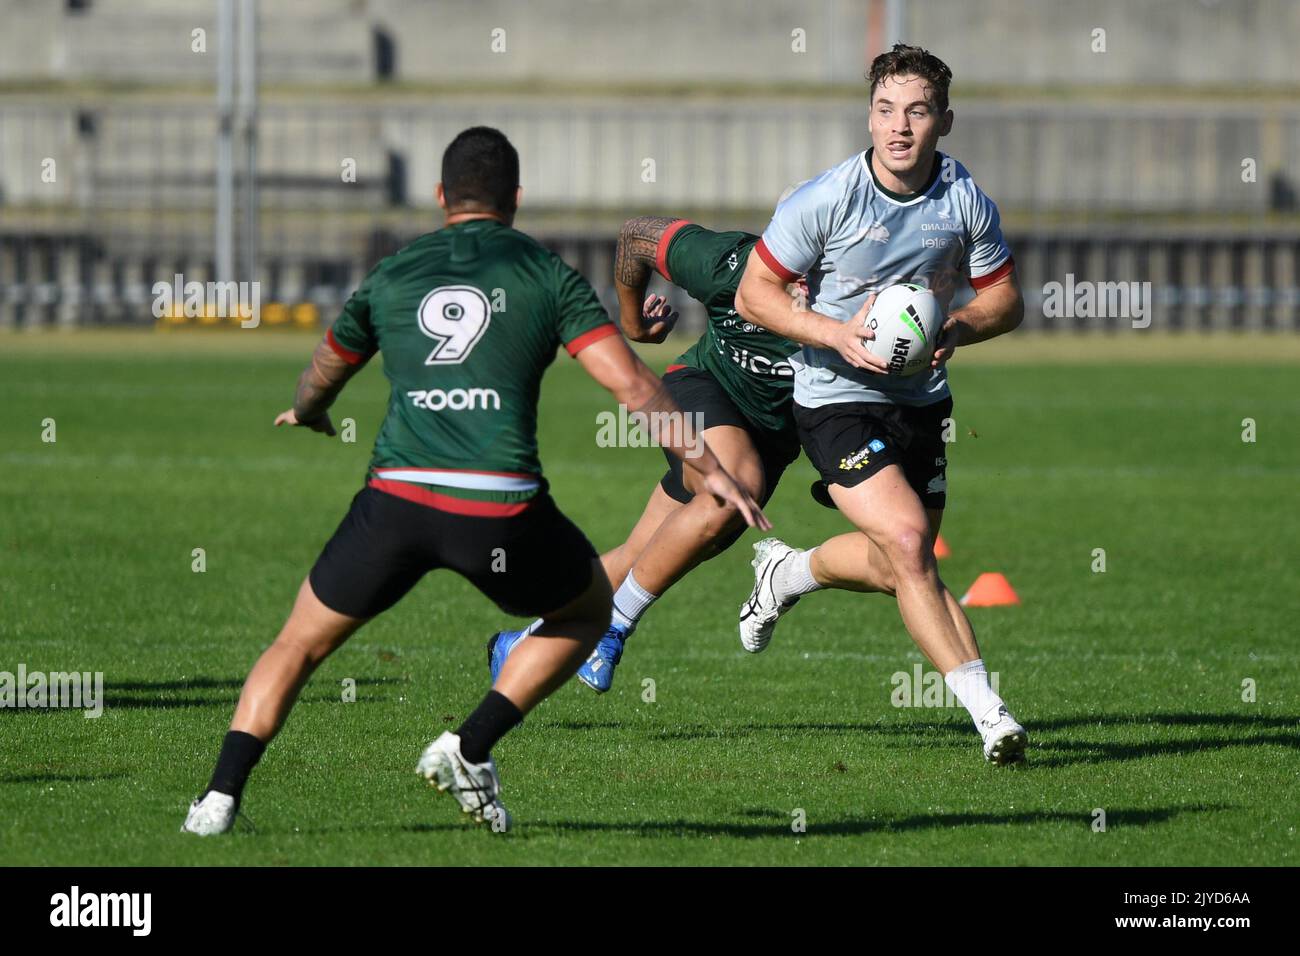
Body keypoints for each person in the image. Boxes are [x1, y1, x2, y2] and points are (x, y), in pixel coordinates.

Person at [181, 127, 767, 836]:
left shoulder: (394, 272)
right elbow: (633, 386)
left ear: (439, 197)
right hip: (499, 510)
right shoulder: (546, 275)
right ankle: (469, 744)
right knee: (586, 613)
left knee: (297, 644)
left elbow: (324, 368)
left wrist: (309, 411)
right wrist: (710, 469)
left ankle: (217, 800)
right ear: (515, 200)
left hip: (394, 501)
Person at [732, 45, 1029, 764]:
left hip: (921, 401)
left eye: (917, 112)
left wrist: (955, 326)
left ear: (944, 122)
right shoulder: (827, 198)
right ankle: (991, 715)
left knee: (906, 558)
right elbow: (753, 294)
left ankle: (788, 572)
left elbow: (1006, 301)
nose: (899, 127)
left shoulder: (963, 201)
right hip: (834, 397)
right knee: (906, 545)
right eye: (886, 110)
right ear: (869, 117)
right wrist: (834, 334)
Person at [487, 215, 802, 692]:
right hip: (699, 390)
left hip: (771, 440)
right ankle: (612, 627)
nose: (800, 275)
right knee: (732, 489)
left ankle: (524, 644)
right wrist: (633, 323)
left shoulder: (856, 296)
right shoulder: (730, 264)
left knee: (651, 550)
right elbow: (636, 236)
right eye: (790, 257)